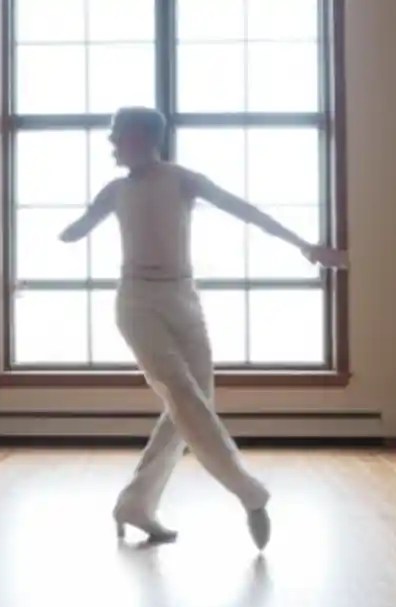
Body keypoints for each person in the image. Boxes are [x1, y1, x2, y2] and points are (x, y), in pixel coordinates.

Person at [58, 107, 348, 550]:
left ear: (144, 137)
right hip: (137, 302)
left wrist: (306, 247)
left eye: (118, 135)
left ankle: (136, 504)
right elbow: (75, 231)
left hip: (184, 301)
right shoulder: (115, 190)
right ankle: (249, 492)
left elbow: (244, 210)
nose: (112, 143)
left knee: (192, 406)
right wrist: (76, 226)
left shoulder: (182, 179)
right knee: (184, 396)